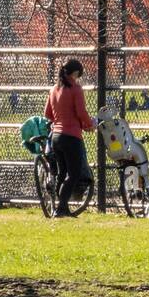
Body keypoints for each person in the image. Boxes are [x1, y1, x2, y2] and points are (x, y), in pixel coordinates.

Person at [43, 59, 96, 218]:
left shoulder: (54, 89)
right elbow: (81, 112)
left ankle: (62, 207)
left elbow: (47, 114)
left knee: (62, 172)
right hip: (72, 136)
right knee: (73, 174)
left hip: (56, 138)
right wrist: (89, 124)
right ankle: (61, 209)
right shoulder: (76, 88)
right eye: (79, 75)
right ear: (75, 73)